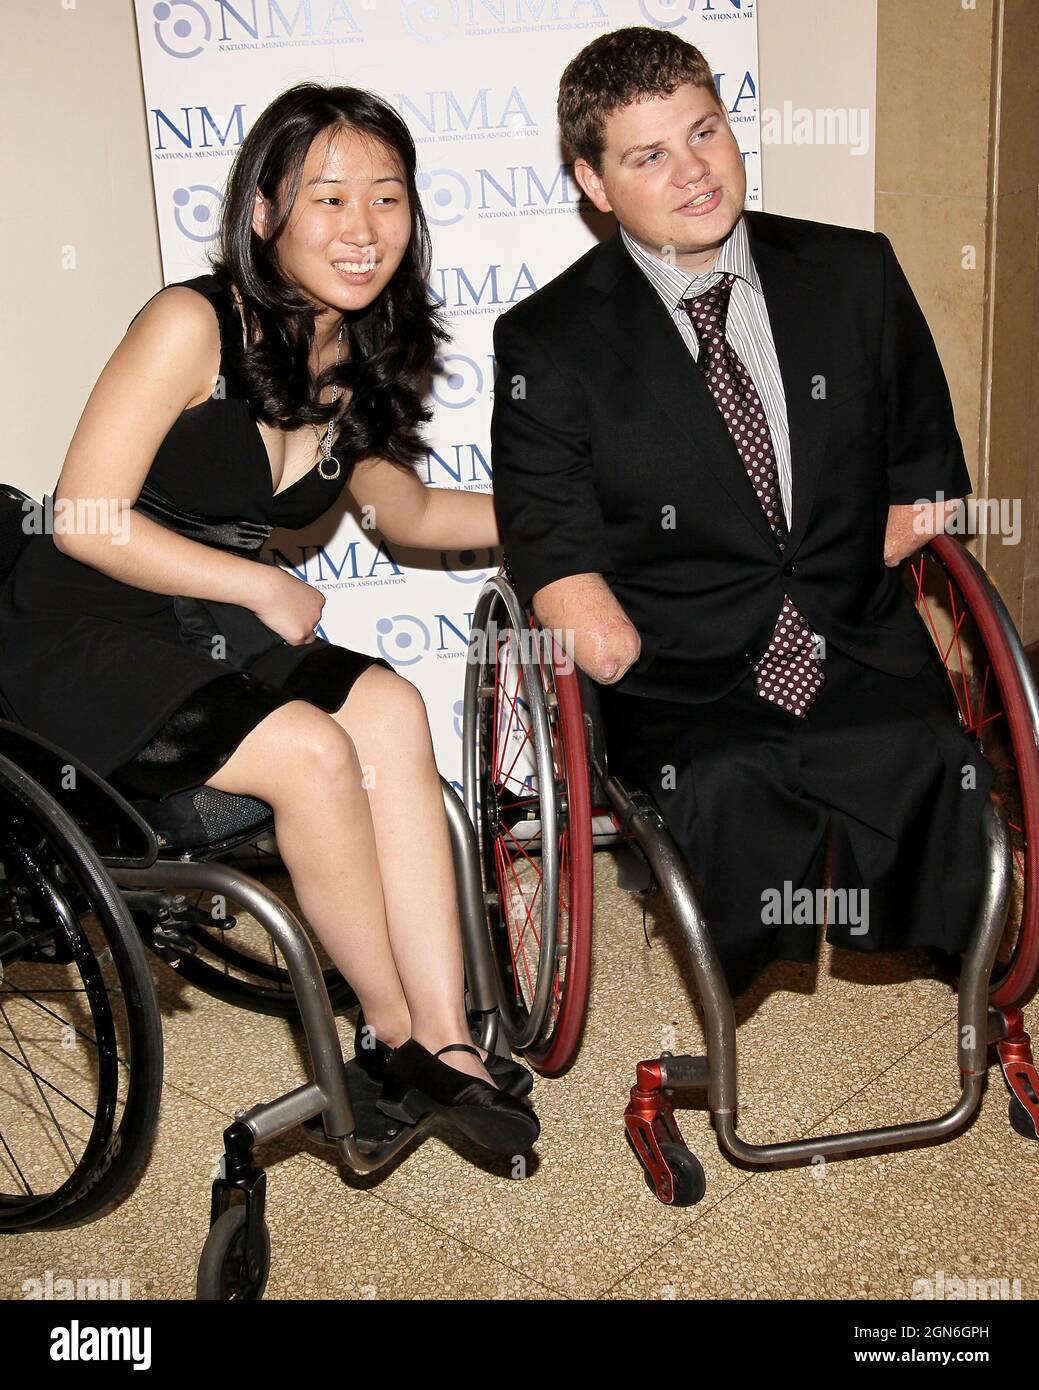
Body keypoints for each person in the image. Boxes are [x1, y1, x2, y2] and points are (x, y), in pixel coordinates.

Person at [0, 82, 538, 1155]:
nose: (362, 229)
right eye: (328, 198)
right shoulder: (188, 321)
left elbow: (414, 511)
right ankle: (390, 1038)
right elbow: (85, 520)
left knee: (386, 708)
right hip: (81, 627)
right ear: (263, 212)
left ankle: (445, 1037)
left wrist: (570, 525)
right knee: (310, 753)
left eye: (387, 199)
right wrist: (256, 582)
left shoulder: (359, 353)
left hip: (200, 623)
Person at [490, 28, 995, 997]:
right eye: (649, 156)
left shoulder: (854, 274)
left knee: (935, 756)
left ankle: (955, 972)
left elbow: (924, 471)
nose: (695, 173)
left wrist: (845, 572)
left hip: (856, 640)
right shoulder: (549, 342)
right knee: (725, 787)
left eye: (706, 132)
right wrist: (590, 625)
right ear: (593, 184)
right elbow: (548, 537)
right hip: (683, 675)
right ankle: (746, 988)